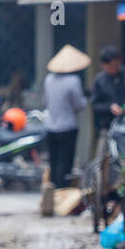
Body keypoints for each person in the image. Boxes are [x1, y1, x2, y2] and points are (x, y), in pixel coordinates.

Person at [42, 44, 90, 189]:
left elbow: (46, 102)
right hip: (67, 126)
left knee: (54, 161)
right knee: (65, 162)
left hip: (50, 125)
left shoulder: (48, 79)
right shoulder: (73, 81)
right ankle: (62, 192)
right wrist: (85, 99)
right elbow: (78, 105)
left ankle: (53, 191)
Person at [90, 44, 125, 137]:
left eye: (115, 65)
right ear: (103, 65)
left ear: (120, 61)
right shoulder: (100, 80)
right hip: (108, 127)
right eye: (109, 66)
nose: (112, 69)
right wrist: (110, 107)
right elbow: (95, 104)